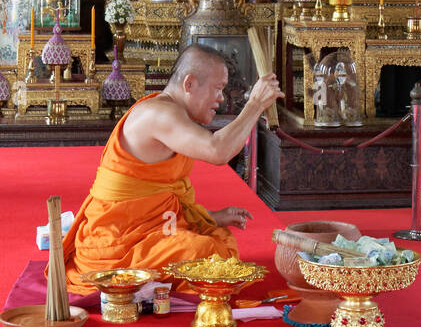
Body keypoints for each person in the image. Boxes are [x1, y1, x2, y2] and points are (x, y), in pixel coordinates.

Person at [61, 45, 281, 293]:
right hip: (117, 241)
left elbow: (159, 196)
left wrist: (211, 217)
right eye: (218, 89)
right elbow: (218, 151)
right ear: (189, 84)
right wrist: (254, 105)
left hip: (142, 229)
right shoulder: (160, 114)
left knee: (217, 242)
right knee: (209, 254)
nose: (221, 98)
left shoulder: (171, 111)